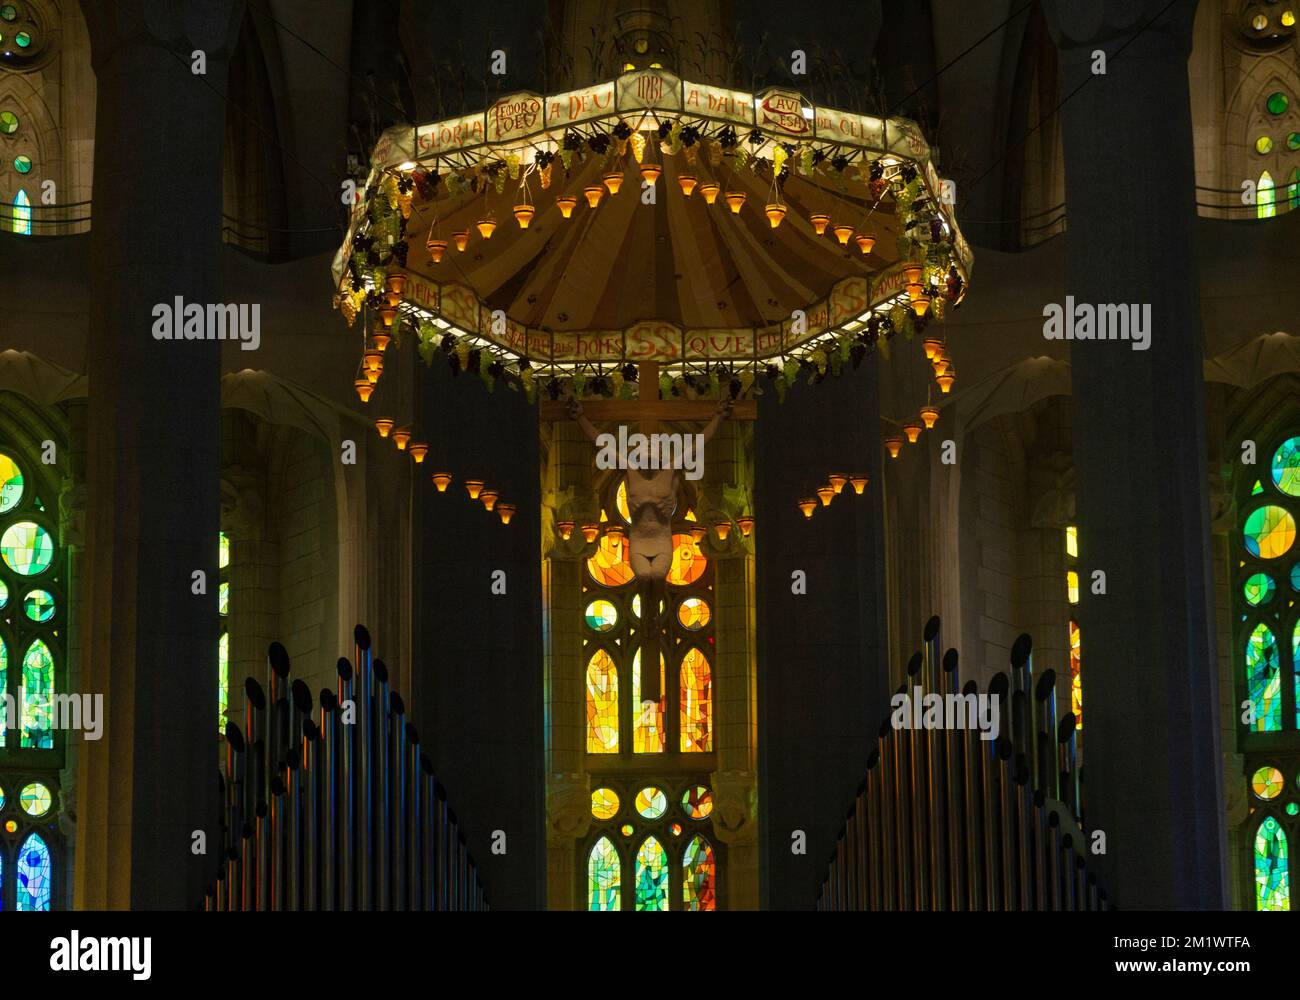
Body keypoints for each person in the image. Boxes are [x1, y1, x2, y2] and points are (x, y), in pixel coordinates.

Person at [567, 393, 732, 703]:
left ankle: (651, 622)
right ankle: (650, 623)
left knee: (657, 577)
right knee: (645, 578)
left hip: (660, 540)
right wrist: (580, 418)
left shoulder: (671, 470)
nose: (649, 454)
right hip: (641, 541)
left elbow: (698, 444)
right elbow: (603, 444)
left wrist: (719, 418)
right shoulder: (628, 470)